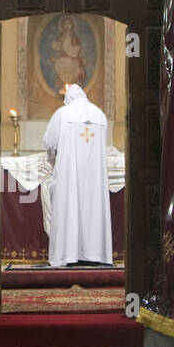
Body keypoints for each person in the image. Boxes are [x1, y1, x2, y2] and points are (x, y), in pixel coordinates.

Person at [43, 83, 112, 267]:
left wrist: (54, 160)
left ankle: (68, 255)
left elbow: (49, 143)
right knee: (93, 208)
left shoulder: (63, 114)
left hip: (69, 174)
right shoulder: (100, 114)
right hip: (94, 175)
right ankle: (95, 254)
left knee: (69, 208)